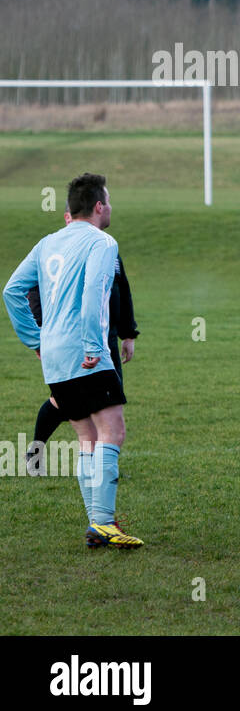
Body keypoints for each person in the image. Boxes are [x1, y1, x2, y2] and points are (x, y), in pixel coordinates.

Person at [4, 173, 142, 548]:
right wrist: (94, 346)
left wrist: (35, 338)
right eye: (109, 201)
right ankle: (102, 523)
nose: (110, 207)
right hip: (86, 352)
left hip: (54, 355)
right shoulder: (103, 242)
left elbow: (12, 291)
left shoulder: (48, 242)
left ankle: (98, 524)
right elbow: (96, 291)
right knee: (113, 432)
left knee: (87, 437)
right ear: (99, 206)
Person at [25, 209, 139, 476]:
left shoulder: (107, 251)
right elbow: (32, 291)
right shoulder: (56, 252)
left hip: (105, 339)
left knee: (102, 407)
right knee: (65, 403)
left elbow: (121, 290)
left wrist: (128, 333)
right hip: (72, 340)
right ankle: (39, 449)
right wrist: (42, 332)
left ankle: (102, 468)